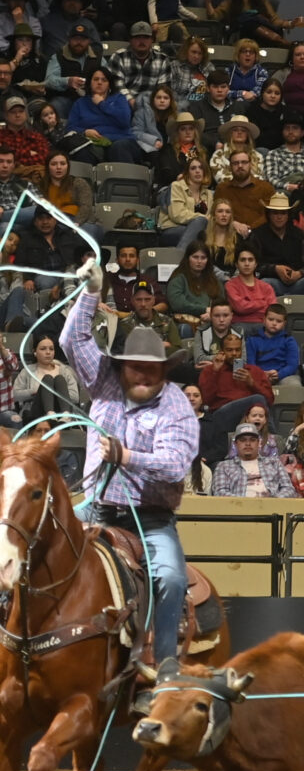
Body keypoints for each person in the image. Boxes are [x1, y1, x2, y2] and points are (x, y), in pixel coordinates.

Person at [62, 258, 198, 680]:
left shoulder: (176, 404)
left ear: (164, 369)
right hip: (95, 507)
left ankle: (166, 662)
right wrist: (91, 293)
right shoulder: (104, 381)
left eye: (152, 368)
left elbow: (175, 465)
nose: (143, 374)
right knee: (28, 542)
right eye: (136, 366)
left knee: (171, 578)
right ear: (121, 366)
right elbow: (71, 340)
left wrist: (126, 457)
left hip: (150, 520)